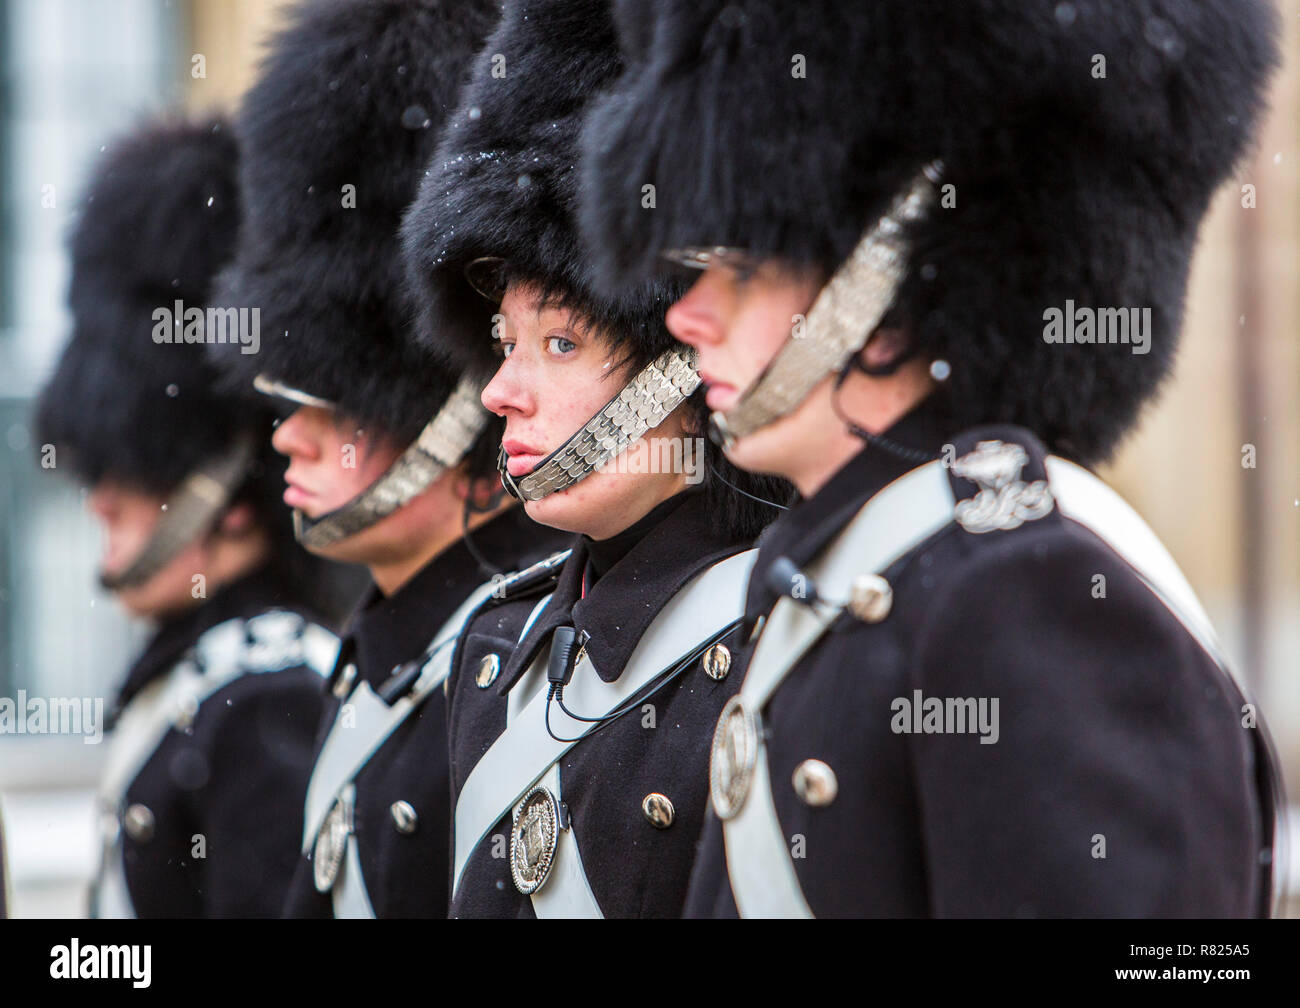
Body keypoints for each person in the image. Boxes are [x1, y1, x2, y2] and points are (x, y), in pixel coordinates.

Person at [578, 0, 1283, 916]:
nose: (684, 315)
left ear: (892, 280)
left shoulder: (1029, 594)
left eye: (743, 270)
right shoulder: (853, 585)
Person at [401, 0, 791, 918]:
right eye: (504, 342)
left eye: (562, 344)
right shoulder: (497, 646)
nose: (501, 391)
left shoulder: (773, 636)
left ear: (685, 369)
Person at [209, 0, 566, 918]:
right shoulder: (376, 657)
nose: (286, 433)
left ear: (455, 402)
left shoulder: (518, 662)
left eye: (334, 399)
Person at [35, 116, 340, 918]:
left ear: (237, 500)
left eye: (142, 467)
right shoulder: (199, 676)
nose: (101, 494)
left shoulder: (267, 689)